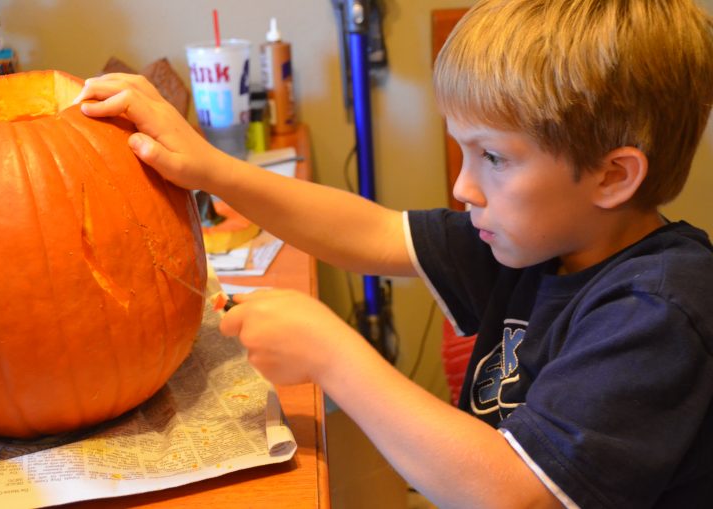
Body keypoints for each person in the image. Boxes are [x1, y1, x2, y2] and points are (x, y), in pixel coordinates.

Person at [74, 0, 713, 506]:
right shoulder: (548, 240)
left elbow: (515, 494)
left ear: (612, 176)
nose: (463, 188)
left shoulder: (658, 310)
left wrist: (334, 355)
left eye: (492, 157)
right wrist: (213, 169)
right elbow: (378, 234)